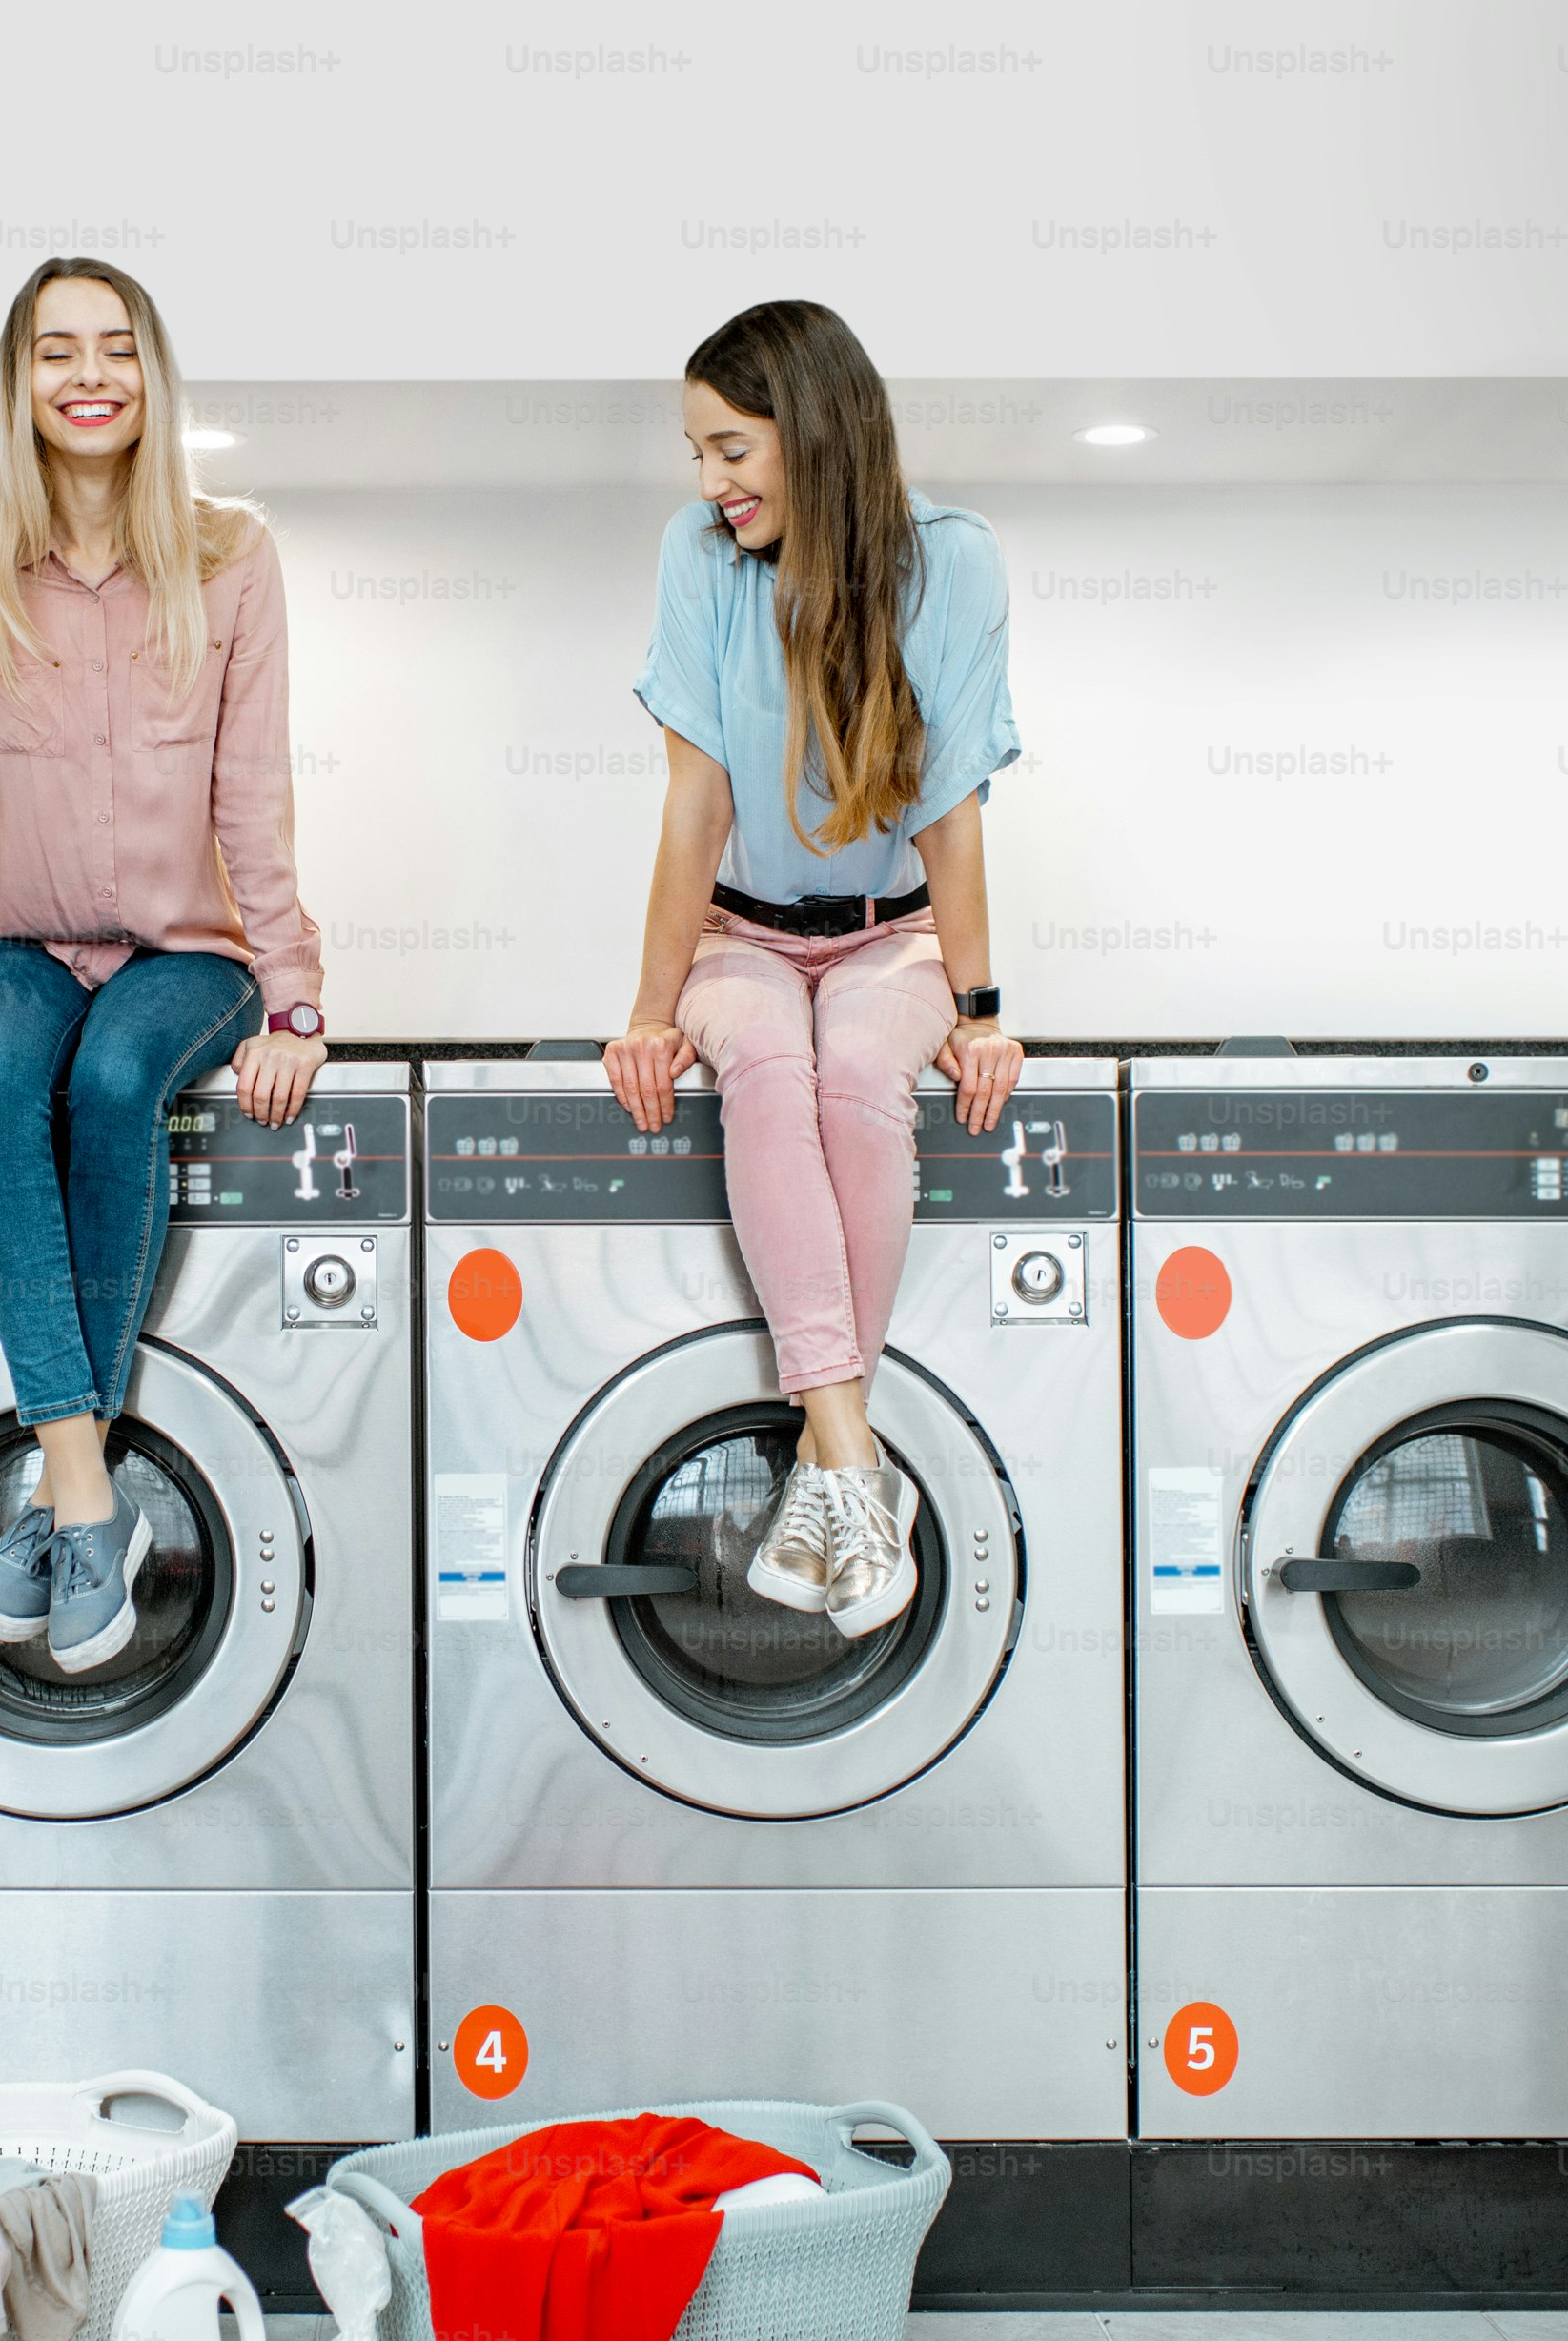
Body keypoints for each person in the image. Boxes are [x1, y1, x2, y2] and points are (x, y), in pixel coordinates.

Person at [0, 256, 327, 1673]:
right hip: (15, 940)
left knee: (118, 1080)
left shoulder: (233, 557)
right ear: (21, 383)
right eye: (58, 353)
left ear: (153, 375)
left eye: (117, 349)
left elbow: (257, 795)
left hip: (191, 948)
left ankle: (59, 1499)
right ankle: (87, 1491)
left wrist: (293, 996)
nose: (91, 376)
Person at [602, 299, 1025, 1638]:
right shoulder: (699, 557)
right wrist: (647, 1010)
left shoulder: (953, 562)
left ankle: (823, 1473)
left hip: (891, 932)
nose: (712, 484)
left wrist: (982, 1010)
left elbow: (951, 806)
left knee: (854, 1069)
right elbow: (694, 802)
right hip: (739, 931)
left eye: (733, 449)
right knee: (770, 1068)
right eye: (698, 456)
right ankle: (850, 1457)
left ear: (816, 433)